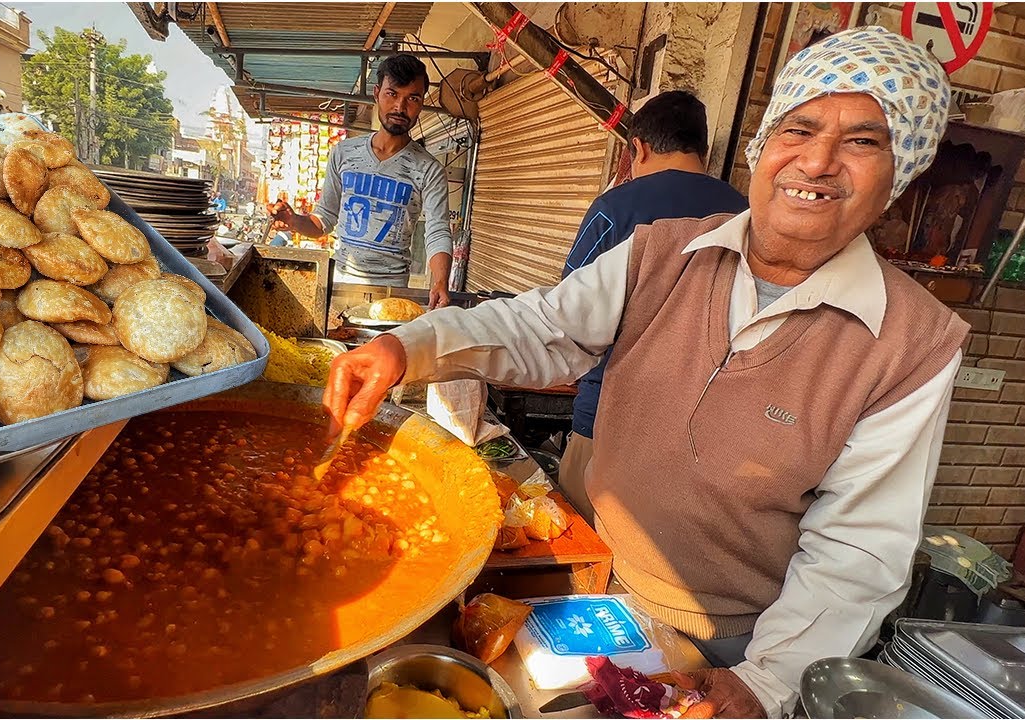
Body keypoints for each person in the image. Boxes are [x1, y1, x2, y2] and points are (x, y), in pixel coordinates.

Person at [324, 27, 965, 718]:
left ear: (901, 174)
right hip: (590, 585)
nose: (817, 161)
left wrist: (768, 680)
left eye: (862, 141)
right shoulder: (663, 253)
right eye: (799, 128)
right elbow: (543, 326)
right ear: (762, 146)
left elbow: (859, 549)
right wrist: (406, 347)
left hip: (733, 646)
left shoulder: (912, 343)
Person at [558, 90, 748, 523]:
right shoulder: (748, 215)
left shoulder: (615, 208)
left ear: (638, 148)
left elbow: (569, 313)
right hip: (702, 435)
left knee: (580, 548)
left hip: (606, 420)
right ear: (702, 149)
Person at [268, 54, 453, 309]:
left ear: (421, 103)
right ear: (376, 93)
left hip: (394, 292)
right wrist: (293, 221)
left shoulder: (429, 169)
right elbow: (323, 220)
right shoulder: (343, 153)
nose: (400, 107)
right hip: (339, 285)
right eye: (392, 93)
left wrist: (441, 281)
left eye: (413, 98)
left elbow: (437, 230)